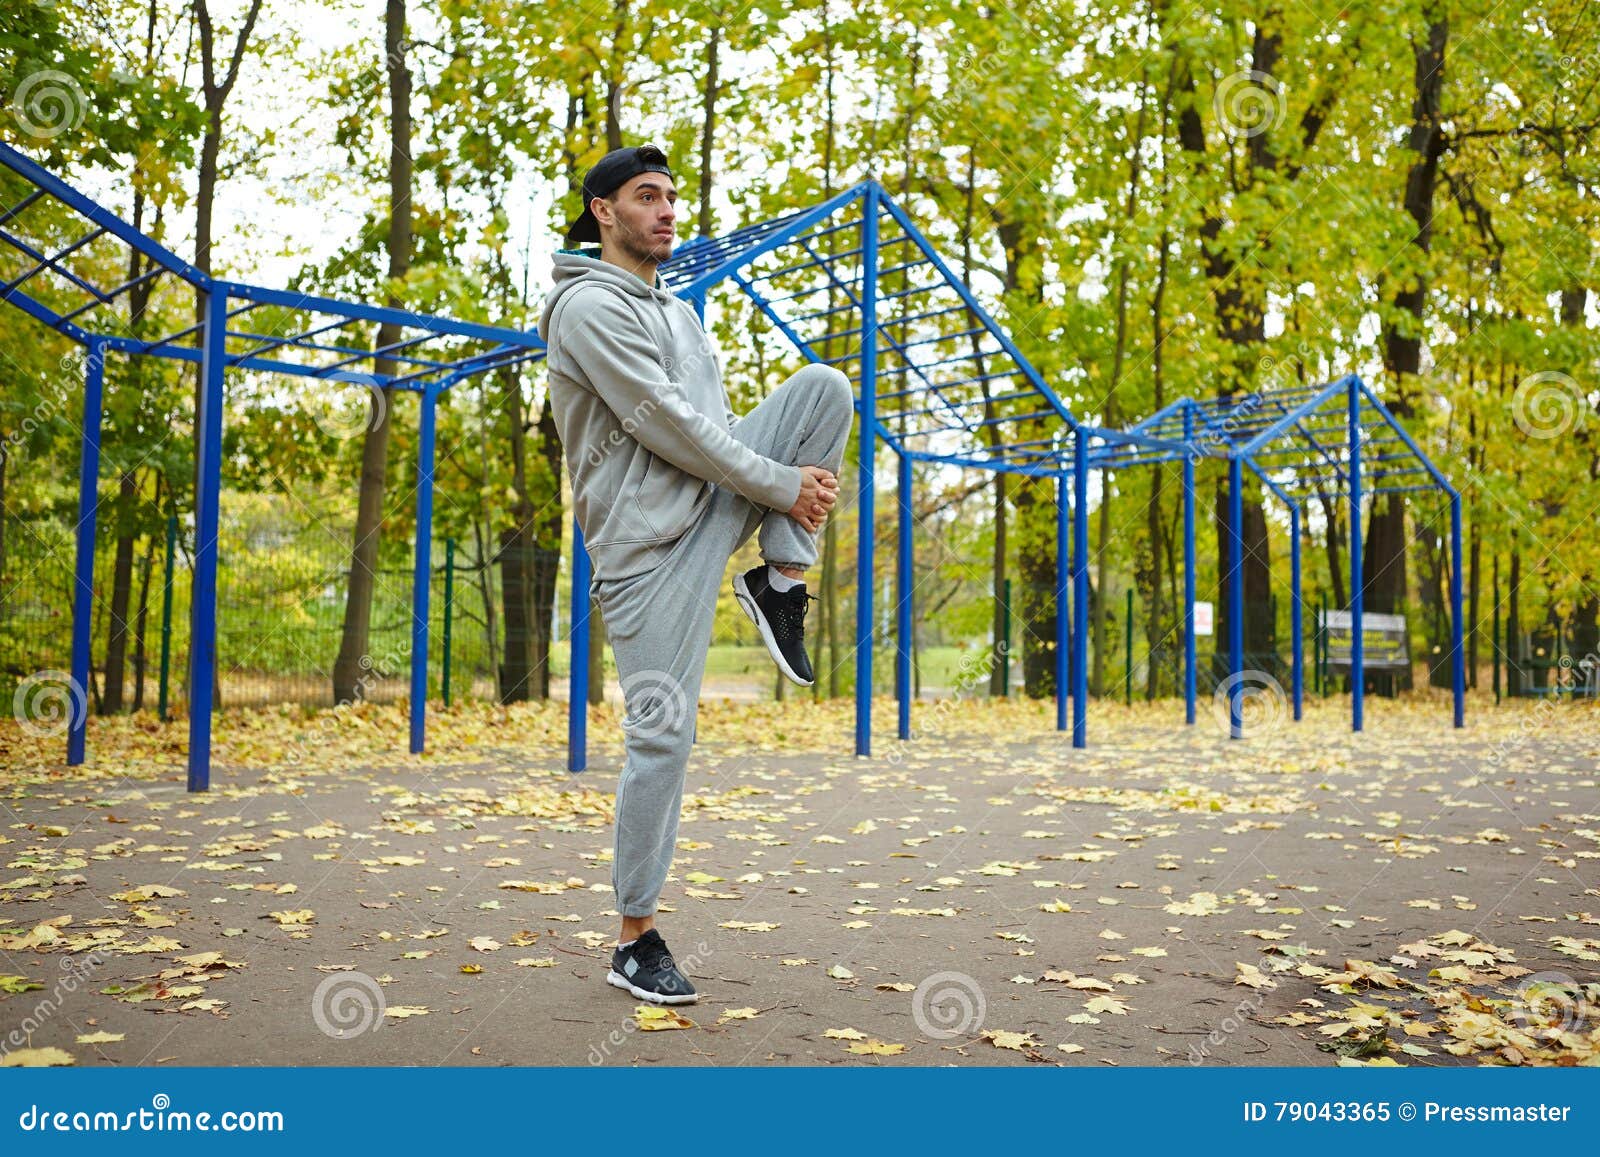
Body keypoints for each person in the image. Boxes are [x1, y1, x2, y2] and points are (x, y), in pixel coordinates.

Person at [537, 144, 855, 1004]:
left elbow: (712, 427)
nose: (668, 210)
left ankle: (778, 582)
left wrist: (781, 502)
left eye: (674, 197)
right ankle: (634, 938)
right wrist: (782, 484)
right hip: (645, 554)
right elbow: (671, 427)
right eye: (648, 197)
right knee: (661, 739)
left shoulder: (678, 311)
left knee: (823, 390)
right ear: (604, 211)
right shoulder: (584, 309)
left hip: (712, 506)